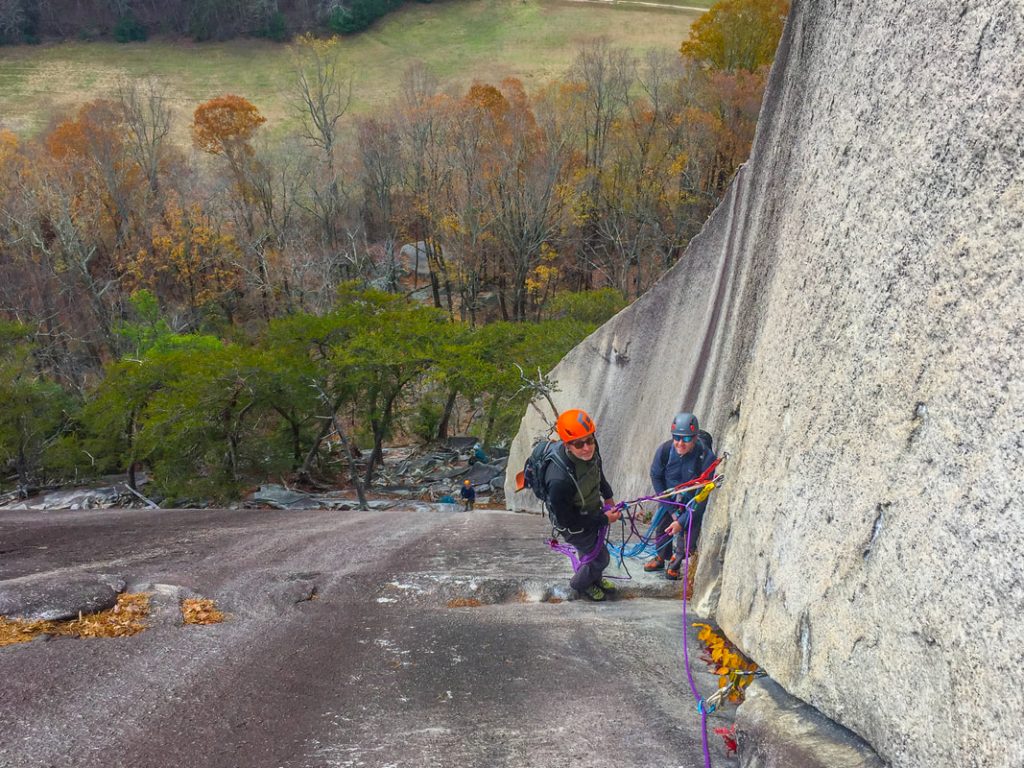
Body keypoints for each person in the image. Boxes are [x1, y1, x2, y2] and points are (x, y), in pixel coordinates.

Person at [544, 408, 622, 601]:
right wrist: (604, 519)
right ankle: (580, 585)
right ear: (567, 445)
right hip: (574, 524)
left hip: (592, 511)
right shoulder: (558, 480)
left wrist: (608, 496)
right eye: (579, 444)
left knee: (591, 552)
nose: (587, 447)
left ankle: (594, 578)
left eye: (589, 440)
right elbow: (569, 521)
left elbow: (598, 473)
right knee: (601, 557)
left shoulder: (591, 451)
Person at [645, 412, 717, 580]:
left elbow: (702, 499)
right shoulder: (665, 450)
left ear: (695, 437)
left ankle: (676, 562)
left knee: (688, 533)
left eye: (686, 439)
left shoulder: (706, 458)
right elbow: (655, 476)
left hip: (692, 501)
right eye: (677, 437)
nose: (680, 443)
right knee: (663, 525)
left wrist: (681, 521)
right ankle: (661, 556)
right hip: (670, 497)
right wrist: (670, 509)